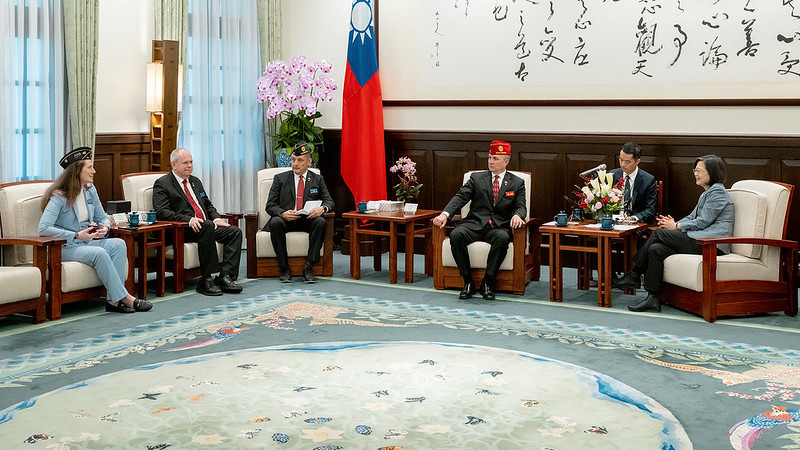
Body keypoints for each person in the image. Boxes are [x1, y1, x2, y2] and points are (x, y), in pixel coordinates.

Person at [38, 147, 153, 314]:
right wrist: (76, 235)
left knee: (119, 244)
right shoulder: (59, 196)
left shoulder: (89, 190)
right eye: (89, 167)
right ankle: (126, 298)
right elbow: (43, 228)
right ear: (76, 171)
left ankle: (113, 301)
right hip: (65, 247)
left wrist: (104, 228)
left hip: (88, 242)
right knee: (100, 253)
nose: (94, 171)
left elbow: (103, 216)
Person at [615, 155, 734, 312]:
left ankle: (635, 274)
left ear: (711, 172)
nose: (695, 174)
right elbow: (692, 217)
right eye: (695, 170)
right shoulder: (707, 192)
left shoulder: (717, 192)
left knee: (658, 234)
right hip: (700, 238)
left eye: (699, 170)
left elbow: (703, 221)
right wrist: (674, 224)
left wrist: (676, 226)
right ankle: (653, 298)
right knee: (656, 249)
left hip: (712, 244)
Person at [432, 140, 526, 300]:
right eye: (489, 157)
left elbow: (521, 206)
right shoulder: (476, 178)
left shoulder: (517, 183)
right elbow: (460, 197)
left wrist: (518, 215)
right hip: (474, 224)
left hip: (498, 227)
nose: (491, 161)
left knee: (503, 239)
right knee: (456, 235)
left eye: (495, 158)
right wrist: (445, 214)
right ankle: (467, 281)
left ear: (506, 161)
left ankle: (487, 282)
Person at [152, 148, 243, 296]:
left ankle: (225, 276)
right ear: (173, 164)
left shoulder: (195, 181)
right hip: (182, 230)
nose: (189, 166)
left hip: (204, 227)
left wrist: (217, 218)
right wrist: (188, 220)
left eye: (191, 162)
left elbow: (207, 204)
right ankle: (206, 280)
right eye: (185, 163)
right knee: (206, 225)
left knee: (234, 232)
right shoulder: (163, 184)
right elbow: (161, 212)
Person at [264, 141, 334, 283]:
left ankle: (309, 267)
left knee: (320, 222)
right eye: (293, 160)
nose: (295, 164)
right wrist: (283, 213)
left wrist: (322, 209)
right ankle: (284, 268)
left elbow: (329, 202)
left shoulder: (317, 179)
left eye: (300, 160)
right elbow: (270, 205)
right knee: (276, 222)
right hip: (287, 220)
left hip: (307, 220)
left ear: (309, 161)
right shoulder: (280, 179)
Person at [611, 141, 658, 225]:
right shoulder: (612, 176)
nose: (622, 164)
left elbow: (650, 210)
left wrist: (633, 218)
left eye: (627, 162)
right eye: (621, 160)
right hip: (613, 222)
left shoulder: (648, 180)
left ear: (637, 162)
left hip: (636, 224)